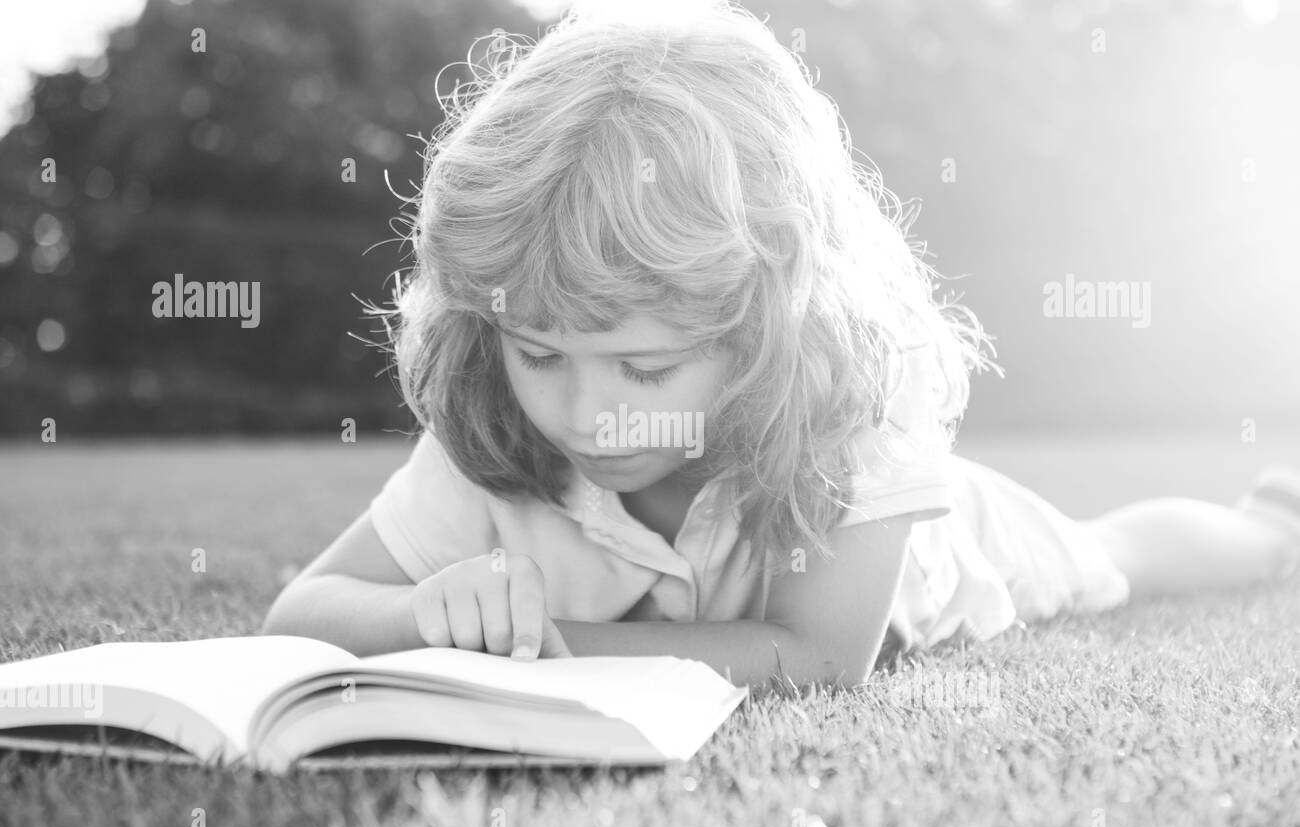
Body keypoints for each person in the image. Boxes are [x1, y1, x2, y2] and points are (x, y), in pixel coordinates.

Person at [261, 1, 1300, 688]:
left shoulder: (855, 412)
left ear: (767, 314)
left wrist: (528, 650)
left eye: (645, 368)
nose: (585, 415)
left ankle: (1271, 521)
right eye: (540, 353)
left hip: (954, 551)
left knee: (1108, 552)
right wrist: (421, 618)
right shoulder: (496, 423)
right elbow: (302, 611)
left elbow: (810, 657)